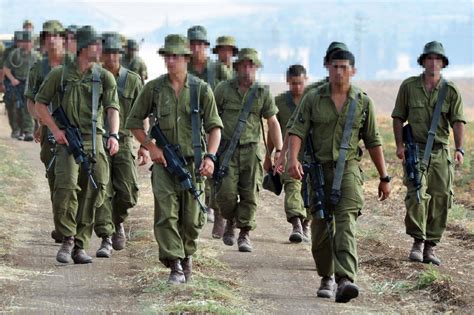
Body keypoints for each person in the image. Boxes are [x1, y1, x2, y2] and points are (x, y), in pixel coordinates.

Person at [287, 49, 391, 303]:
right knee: (321, 227)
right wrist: (292, 160)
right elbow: (297, 131)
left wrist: (384, 177)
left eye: (344, 67)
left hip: (348, 172)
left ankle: (345, 279)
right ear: (328, 68)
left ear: (353, 70)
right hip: (319, 171)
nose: (338, 71)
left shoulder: (362, 102)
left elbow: (373, 140)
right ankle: (326, 276)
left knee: (345, 223)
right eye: (334, 66)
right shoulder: (313, 98)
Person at [126, 34, 223, 284]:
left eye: (175, 57)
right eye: (167, 56)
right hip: (165, 165)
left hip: (193, 164)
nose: (170, 61)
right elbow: (133, 122)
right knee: (167, 214)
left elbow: (215, 127)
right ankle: (175, 264)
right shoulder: (155, 88)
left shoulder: (201, 90)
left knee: (192, 219)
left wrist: (210, 157)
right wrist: (150, 147)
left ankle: (186, 253)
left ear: (186, 59)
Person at [35, 25, 120, 264]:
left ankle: (81, 244)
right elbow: (41, 105)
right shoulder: (59, 75)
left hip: (94, 141)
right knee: (66, 187)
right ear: (84, 47)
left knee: (96, 188)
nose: (100, 49)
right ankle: (68, 238)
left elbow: (113, 109)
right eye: (96, 44)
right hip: (67, 142)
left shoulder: (104, 77)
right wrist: (55, 130)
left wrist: (113, 136)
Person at [391, 41, 465, 266]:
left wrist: (459, 148)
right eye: (429, 59)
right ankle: (417, 241)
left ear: (443, 64)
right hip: (416, 149)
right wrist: (399, 145)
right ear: (423, 62)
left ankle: (431, 245)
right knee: (416, 193)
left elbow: (458, 121)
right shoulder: (409, 86)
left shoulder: (450, 91)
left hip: (441, 151)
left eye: (437, 59)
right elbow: (397, 117)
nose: (433, 63)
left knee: (441, 198)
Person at [213, 48, 283, 253]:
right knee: (225, 194)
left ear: (256, 68)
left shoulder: (262, 93)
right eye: (243, 65)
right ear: (236, 68)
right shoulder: (223, 89)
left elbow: (273, 122)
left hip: (252, 151)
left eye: (251, 66)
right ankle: (230, 219)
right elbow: (211, 118)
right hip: (226, 151)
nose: (247, 70)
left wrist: (278, 150)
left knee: (250, 194)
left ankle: (244, 233)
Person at [93, 32, 148, 258]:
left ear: (121, 54)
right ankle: (106, 236)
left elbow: (143, 112)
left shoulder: (133, 80)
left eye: (115, 53)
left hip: (124, 141)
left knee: (128, 192)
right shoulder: (94, 78)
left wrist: (145, 144)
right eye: (107, 53)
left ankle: (118, 221)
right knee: (101, 188)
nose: (111, 57)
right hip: (98, 140)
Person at [25, 20, 71, 242]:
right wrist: (40, 122)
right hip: (49, 132)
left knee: (78, 181)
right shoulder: (38, 68)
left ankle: (74, 229)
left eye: (56, 35)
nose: (52, 39)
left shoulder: (76, 65)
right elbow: (31, 101)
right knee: (55, 178)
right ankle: (63, 227)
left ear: (63, 38)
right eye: (47, 36)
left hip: (76, 132)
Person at [187, 25, 233, 227]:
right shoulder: (183, 68)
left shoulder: (218, 70)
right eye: (192, 44)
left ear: (206, 46)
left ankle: (218, 210)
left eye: (200, 44)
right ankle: (204, 205)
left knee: (218, 170)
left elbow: (233, 93)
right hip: (191, 127)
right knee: (196, 167)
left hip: (215, 126)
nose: (196, 48)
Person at [265, 64, 309, 243]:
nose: (297, 87)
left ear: (306, 80)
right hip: (288, 155)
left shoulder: (313, 100)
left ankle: (306, 223)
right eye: (293, 84)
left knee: (310, 191)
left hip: (311, 156)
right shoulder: (280, 102)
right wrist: (269, 155)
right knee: (292, 186)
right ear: (287, 82)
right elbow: (272, 129)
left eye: (299, 83)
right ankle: (296, 222)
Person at [3, 30, 40, 141]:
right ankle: (17, 130)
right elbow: (6, 69)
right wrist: (13, 79)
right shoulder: (15, 54)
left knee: (29, 106)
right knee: (15, 105)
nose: (27, 44)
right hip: (17, 83)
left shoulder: (36, 56)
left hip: (30, 83)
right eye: (24, 41)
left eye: (29, 41)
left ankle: (29, 131)